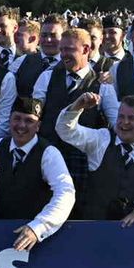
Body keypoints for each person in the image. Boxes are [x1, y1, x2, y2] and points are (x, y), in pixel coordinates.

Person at [56, 92, 134, 223]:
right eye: (121, 117)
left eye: (133, 118)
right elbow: (66, 132)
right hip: (92, 229)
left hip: (133, 235)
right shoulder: (101, 139)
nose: (124, 122)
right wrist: (76, 107)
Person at [0, 97, 74, 250]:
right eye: (17, 119)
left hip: (36, 243)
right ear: (9, 120)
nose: (21, 125)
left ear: (38, 126)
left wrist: (38, 227)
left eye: (29, 121)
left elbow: (66, 193)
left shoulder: (49, 154)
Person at [33, 27, 102, 190]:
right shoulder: (47, 77)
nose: (63, 54)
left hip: (81, 158)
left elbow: (114, 122)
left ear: (86, 49)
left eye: (69, 49)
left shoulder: (103, 84)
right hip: (49, 154)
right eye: (62, 49)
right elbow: (34, 113)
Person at [10, 15, 63, 99]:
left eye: (53, 35)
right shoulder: (21, 62)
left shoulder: (70, 66)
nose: (48, 40)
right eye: (44, 35)